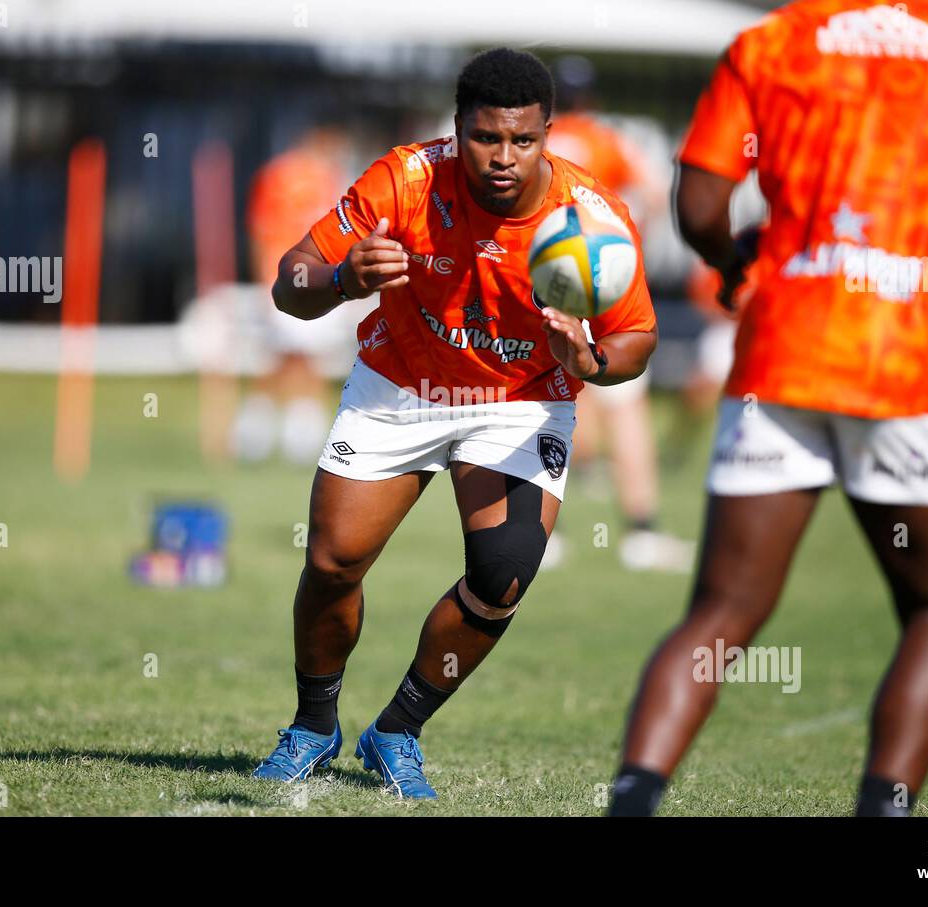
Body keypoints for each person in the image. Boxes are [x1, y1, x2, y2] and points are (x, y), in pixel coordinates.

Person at [610, 0, 928, 817]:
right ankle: (883, 810)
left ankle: (634, 800)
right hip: (911, 371)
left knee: (721, 611)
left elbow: (702, 206)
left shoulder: (771, 43)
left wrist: (729, 265)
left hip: (784, 356)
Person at [251, 48, 658, 799]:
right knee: (335, 560)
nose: (504, 158)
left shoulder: (590, 217)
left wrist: (591, 358)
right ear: (457, 127)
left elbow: (636, 339)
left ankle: (397, 730)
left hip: (521, 397)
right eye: (485, 137)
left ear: (549, 133)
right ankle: (313, 724)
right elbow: (289, 281)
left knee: (502, 576)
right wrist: (343, 280)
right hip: (400, 384)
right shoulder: (403, 181)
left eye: (524, 140)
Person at [546, 55, 693, 572]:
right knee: (624, 407)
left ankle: (544, 535)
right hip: (598, 285)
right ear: (592, 100)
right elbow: (653, 198)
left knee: (557, 404)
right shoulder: (606, 140)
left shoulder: (529, 142)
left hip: (541, 286)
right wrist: (625, 251)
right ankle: (641, 531)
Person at [232, 127, 360, 465]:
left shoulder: (332, 177)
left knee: (310, 355)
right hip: (286, 274)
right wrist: (265, 278)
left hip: (321, 277)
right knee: (284, 354)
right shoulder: (280, 176)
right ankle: (257, 427)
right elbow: (262, 230)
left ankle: (300, 429)